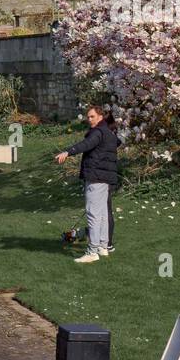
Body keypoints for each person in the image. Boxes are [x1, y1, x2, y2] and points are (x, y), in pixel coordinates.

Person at [55, 104, 119, 264]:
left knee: (93, 215)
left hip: (96, 178)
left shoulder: (98, 132)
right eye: (88, 117)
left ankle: (92, 251)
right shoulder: (109, 133)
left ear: (100, 117)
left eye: (92, 116)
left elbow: (86, 145)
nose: (89, 119)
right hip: (105, 178)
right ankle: (103, 247)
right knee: (102, 214)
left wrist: (67, 152)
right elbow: (116, 143)